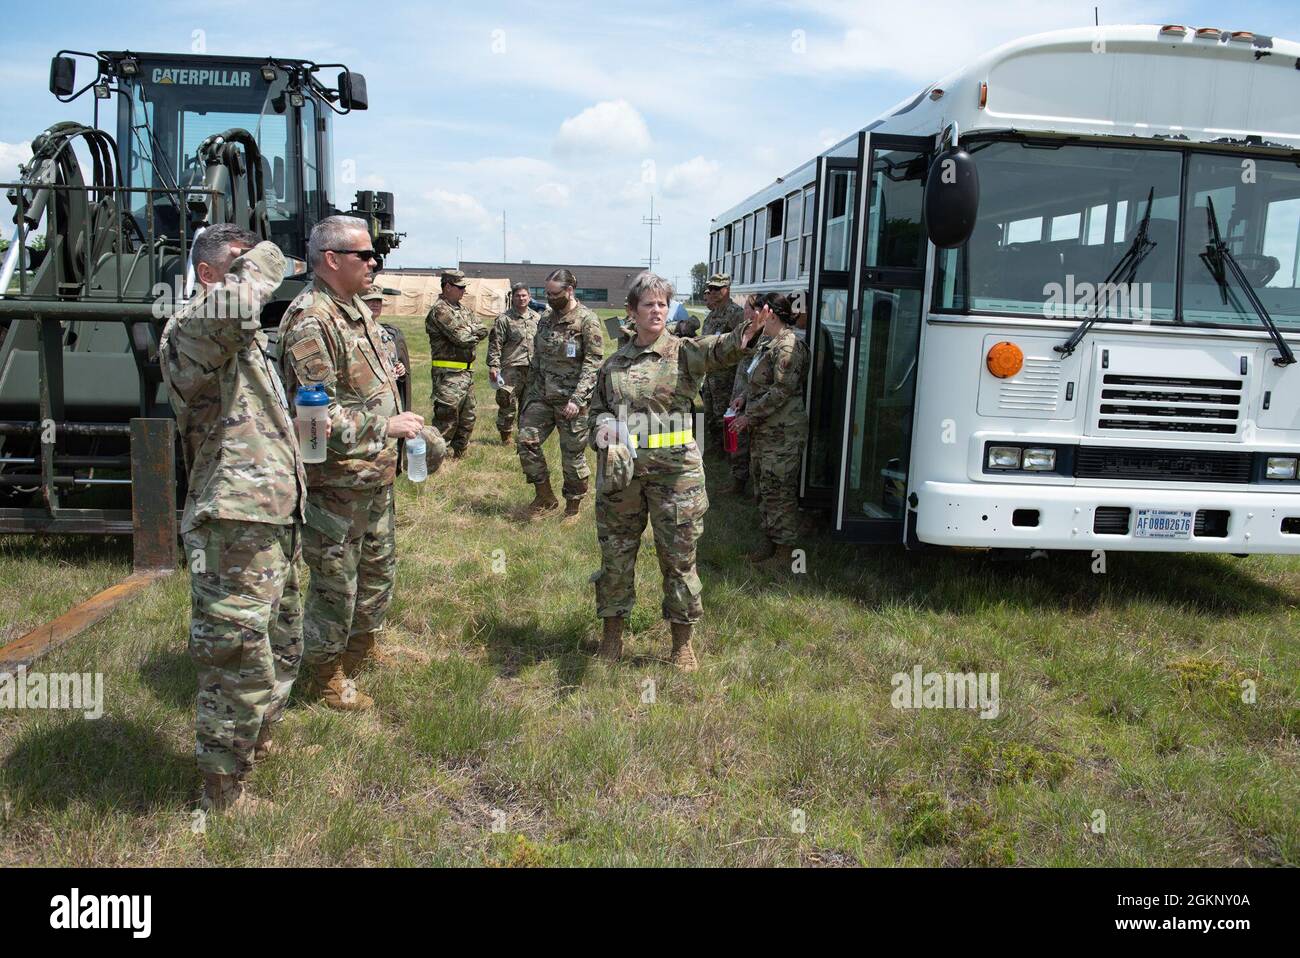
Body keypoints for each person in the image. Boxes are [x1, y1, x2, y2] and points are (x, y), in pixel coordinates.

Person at [159, 224, 306, 815]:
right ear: (208, 274)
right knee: (236, 655)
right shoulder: (188, 329)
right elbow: (238, 303)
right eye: (240, 263)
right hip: (231, 518)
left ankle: (255, 744)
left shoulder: (242, 340)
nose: (258, 273)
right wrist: (268, 257)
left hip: (271, 515)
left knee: (281, 642)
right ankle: (221, 790)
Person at [278, 215, 427, 711]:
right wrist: (385, 428)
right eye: (364, 255)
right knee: (335, 586)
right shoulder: (310, 321)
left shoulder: (353, 311)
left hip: (373, 476)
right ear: (331, 260)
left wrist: (399, 420)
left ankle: (362, 650)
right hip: (335, 485)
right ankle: (323, 675)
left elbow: (371, 386)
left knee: (377, 572)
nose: (374, 262)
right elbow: (315, 418)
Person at [589, 272, 762, 671]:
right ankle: (612, 635)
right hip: (623, 478)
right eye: (648, 304)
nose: (656, 310)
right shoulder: (613, 364)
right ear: (631, 312)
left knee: (679, 560)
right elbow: (594, 410)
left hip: (675, 478)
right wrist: (601, 428)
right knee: (616, 556)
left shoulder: (684, 352)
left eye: (662, 304)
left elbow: (719, 350)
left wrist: (745, 335)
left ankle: (681, 643)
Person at [729, 292, 810, 568]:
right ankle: (769, 543)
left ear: (771, 313)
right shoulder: (768, 341)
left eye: (759, 310)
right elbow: (757, 379)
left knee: (780, 490)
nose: (754, 315)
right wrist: (743, 399)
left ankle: (785, 554)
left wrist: (749, 416)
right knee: (764, 487)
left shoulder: (788, 346)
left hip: (782, 433)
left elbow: (780, 392)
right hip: (765, 431)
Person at [516, 268, 603, 522]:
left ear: (569, 291)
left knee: (572, 457)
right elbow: (538, 359)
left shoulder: (587, 320)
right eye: (546, 293)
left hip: (571, 402)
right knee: (526, 441)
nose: (549, 298)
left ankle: (573, 507)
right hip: (541, 396)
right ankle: (544, 496)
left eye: (554, 294)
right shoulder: (545, 318)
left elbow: (593, 363)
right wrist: (527, 397)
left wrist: (578, 399)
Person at [425, 268, 487, 459]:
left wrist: (471, 331)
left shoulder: (464, 310)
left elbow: (483, 328)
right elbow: (462, 338)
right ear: (448, 286)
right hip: (448, 373)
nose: (463, 291)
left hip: (466, 374)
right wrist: (471, 331)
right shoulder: (440, 310)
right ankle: (434, 458)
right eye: (459, 287)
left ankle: (459, 454)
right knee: (447, 419)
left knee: (468, 417)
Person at [699, 273, 746, 465]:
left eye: (718, 288)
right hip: (711, 374)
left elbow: (741, 345)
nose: (713, 292)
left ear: (727, 289)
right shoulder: (711, 315)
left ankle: (729, 453)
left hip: (726, 375)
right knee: (710, 413)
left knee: (724, 414)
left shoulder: (736, 314)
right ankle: (717, 446)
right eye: (711, 289)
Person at [487, 282, 540, 444]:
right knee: (507, 405)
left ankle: (524, 438)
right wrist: (494, 366)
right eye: (518, 295)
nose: (521, 298)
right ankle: (506, 437)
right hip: (511, 369)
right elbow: (495, 344)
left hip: (532, 369)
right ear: (513, 297)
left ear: (529, 297)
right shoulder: (504, 319)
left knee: (529, 406)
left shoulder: (537, 318)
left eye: (524, 295)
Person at [726, 293, 765, 496]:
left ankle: (742, 483)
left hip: (750, 398)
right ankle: (738, 481)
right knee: (737, 440)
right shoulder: (748, 332)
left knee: (744, 443)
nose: (746, 312)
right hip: (741, 394)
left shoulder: (763, 337)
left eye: (749, 308)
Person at [362, 285, 406, 379]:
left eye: (379, 300)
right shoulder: (357, 330)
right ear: (361, 302)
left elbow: (392, 360)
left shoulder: (383, 332)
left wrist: (399, 368)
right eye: (371, 300)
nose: (376, 304)